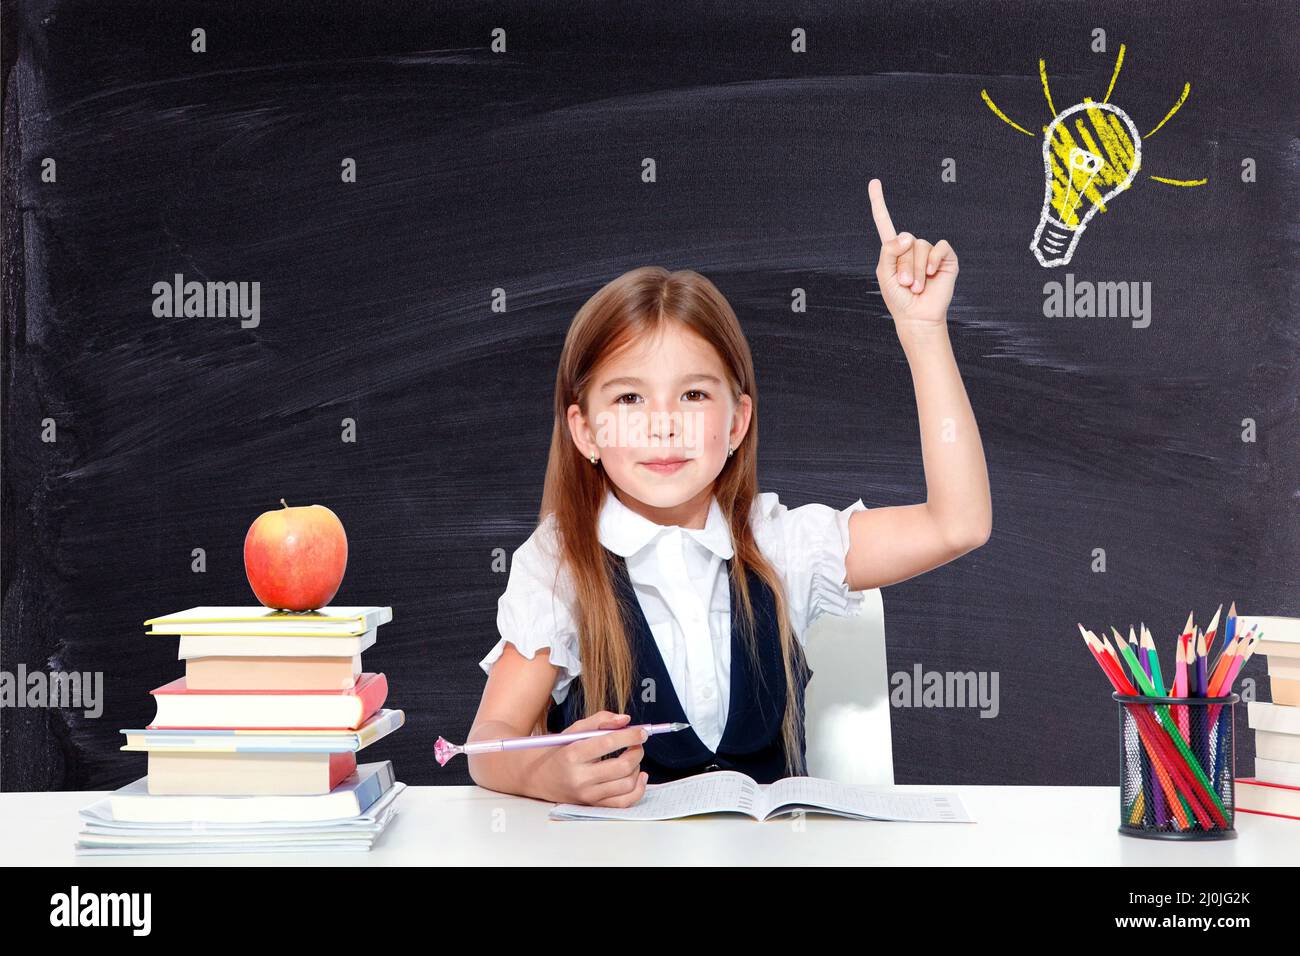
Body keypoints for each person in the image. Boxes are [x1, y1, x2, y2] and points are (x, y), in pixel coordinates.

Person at [469, 179, 991, 806]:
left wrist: (924, 328)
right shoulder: (560, 563)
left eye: (693, 395)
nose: (663, 423)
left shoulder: (781, 543)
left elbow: (959, 524)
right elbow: (488, 743)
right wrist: (546, 774)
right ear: (586, 431)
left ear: (736, 422)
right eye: (629, 398)